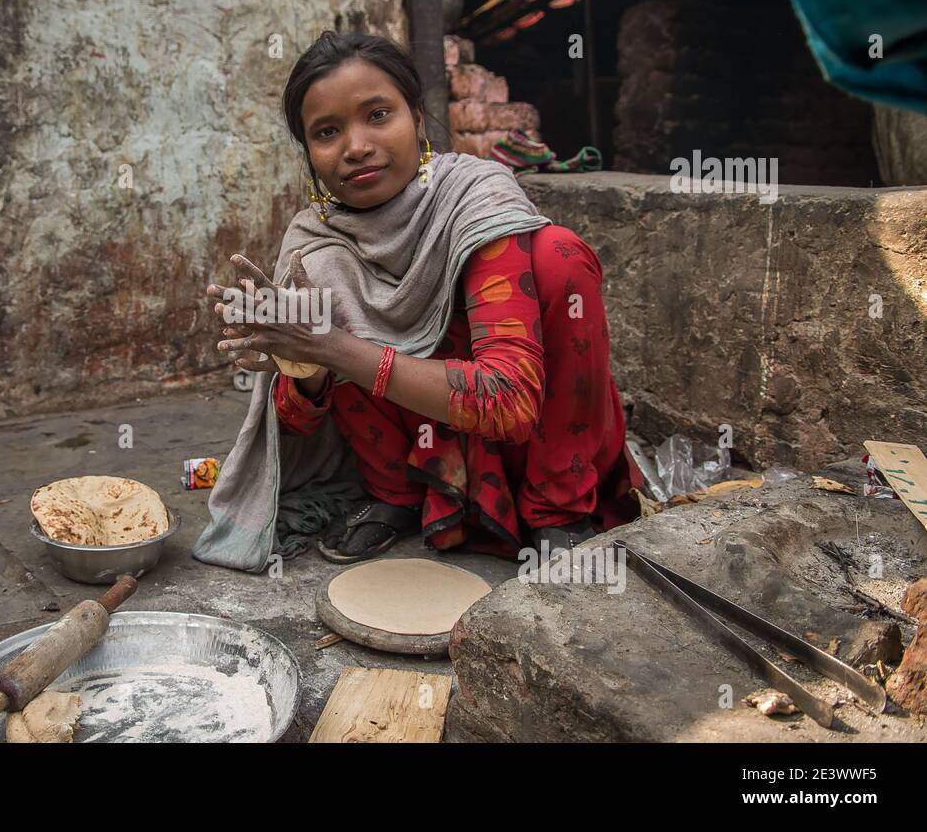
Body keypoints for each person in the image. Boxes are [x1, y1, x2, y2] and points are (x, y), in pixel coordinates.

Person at [196, 31, 642, 570]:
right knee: (329, 303)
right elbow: (297, 423)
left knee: (558, 254)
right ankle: (399, 495)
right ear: (310, 154)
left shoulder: (475, 198)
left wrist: (334, 348)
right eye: (327, 132)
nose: (355, 146)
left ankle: (558, 509)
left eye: (378, 115)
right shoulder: (315, 247)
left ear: (418, 118)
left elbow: (511, 402)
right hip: (419, 448)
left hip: (528, 445)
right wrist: (305, 364)